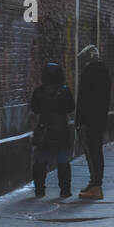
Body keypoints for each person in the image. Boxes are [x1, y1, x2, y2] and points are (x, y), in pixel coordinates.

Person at [30, 62, 75, 200]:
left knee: (40, 161)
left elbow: (35, 109)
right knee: (63, 161)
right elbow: (70, 108)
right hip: (60, 128)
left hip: (44, 128)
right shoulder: (64, 90)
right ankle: (65, 191)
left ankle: (39, 191)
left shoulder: (39, 91)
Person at [75, 45, 112, 201]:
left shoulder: (89, 73)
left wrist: (80, 121)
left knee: (92, 154)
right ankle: (94, 184)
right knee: (96, 152)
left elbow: (84, 100)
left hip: (89, 121)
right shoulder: (104, 72)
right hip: (99, 120)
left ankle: (96, 187)